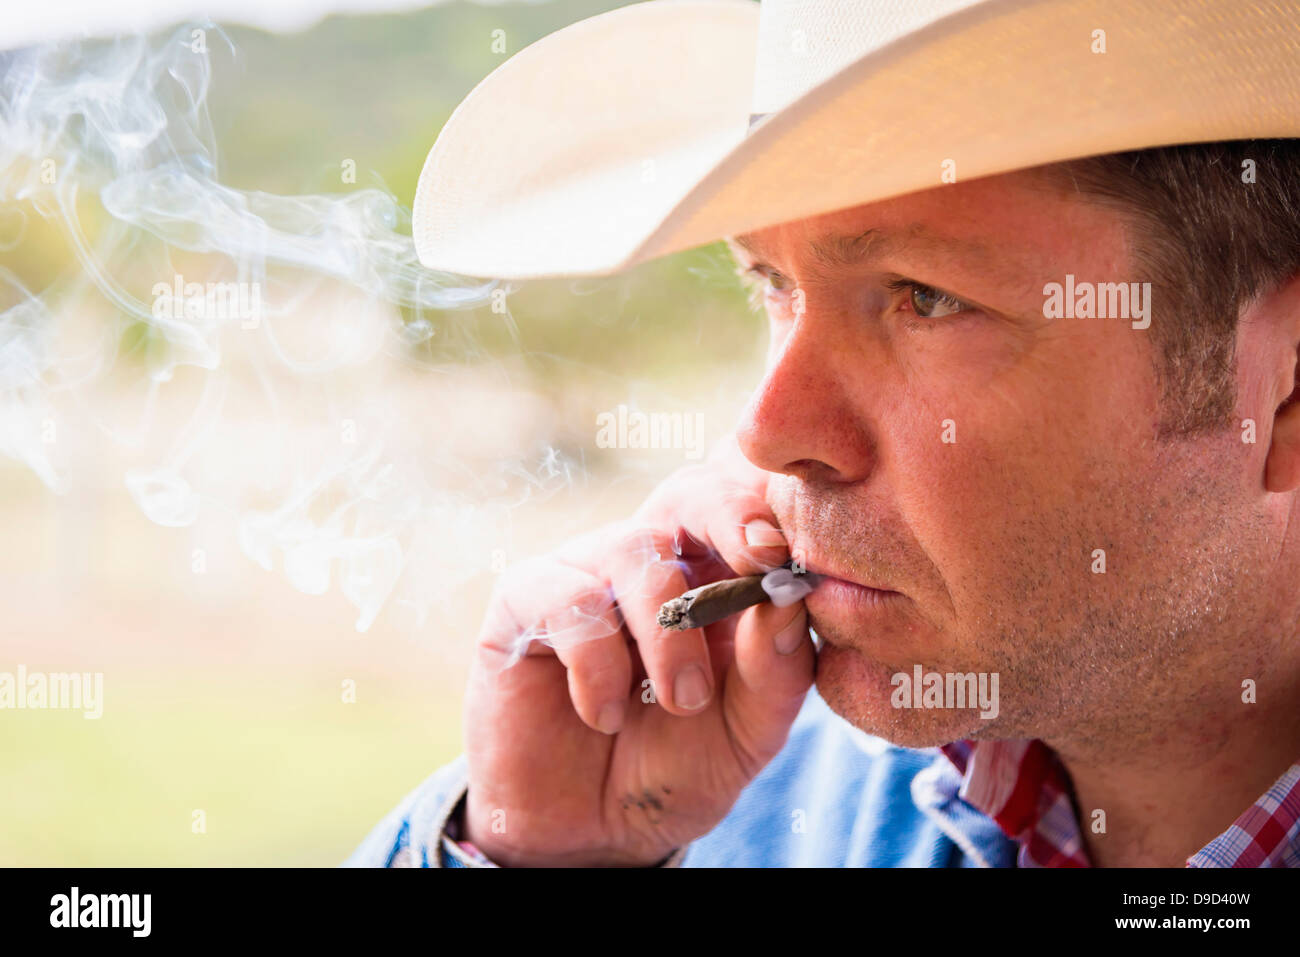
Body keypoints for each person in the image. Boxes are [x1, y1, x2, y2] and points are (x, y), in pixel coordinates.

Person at [347, 0, 1300, 867]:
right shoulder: (737, 801)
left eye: (925, 299)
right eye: (773, 283)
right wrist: (554, 853)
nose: (766, 432)